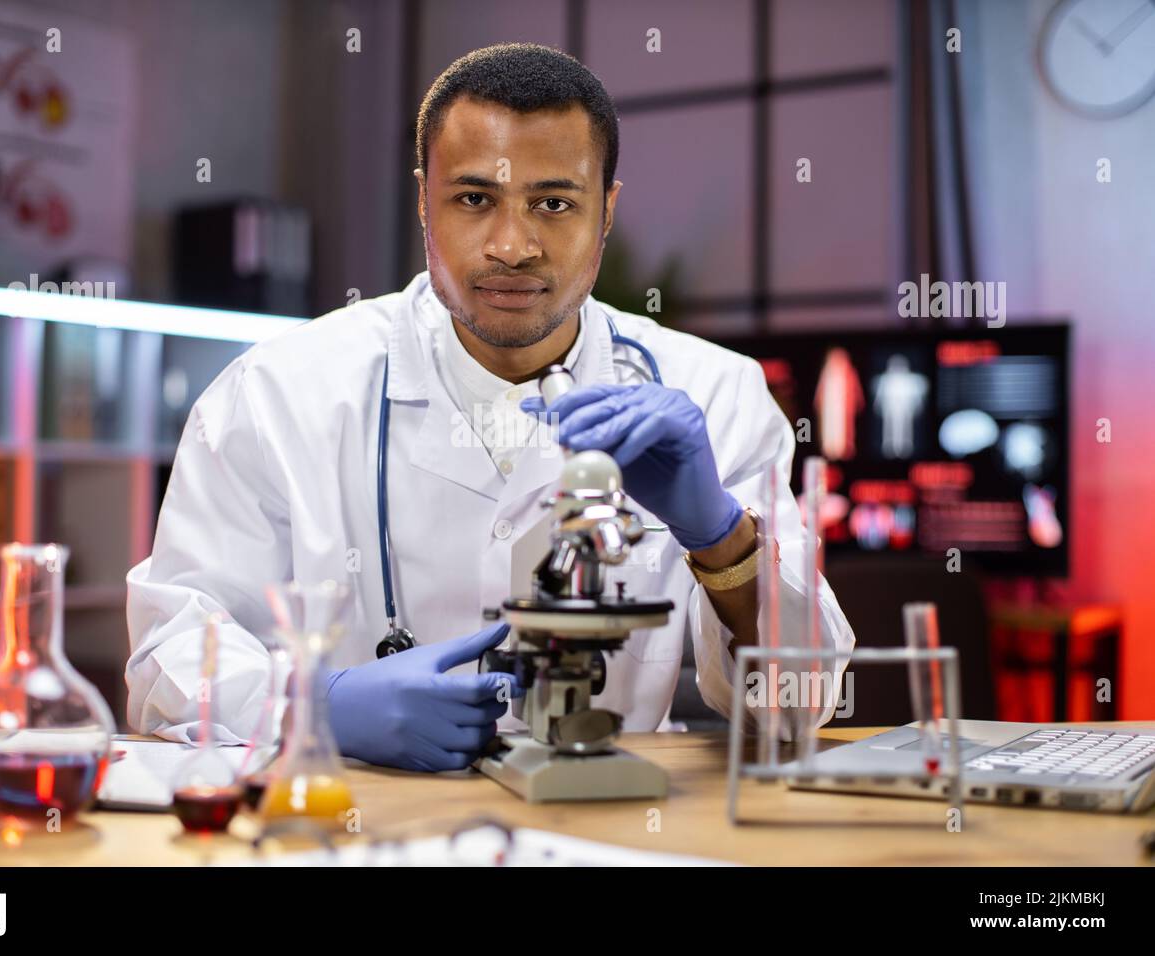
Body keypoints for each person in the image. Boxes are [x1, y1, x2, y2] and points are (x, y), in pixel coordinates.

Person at [125, 43, 855, 772]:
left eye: (554, 203)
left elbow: (801, 701)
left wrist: (724, 540)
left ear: (607, 209)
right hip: (357, 823)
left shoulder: (717, 394)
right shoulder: (276, 393)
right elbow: (170, 659)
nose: (512, 246)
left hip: (616, 832)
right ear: (423, 201)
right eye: (474, 200)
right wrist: (317, 706)